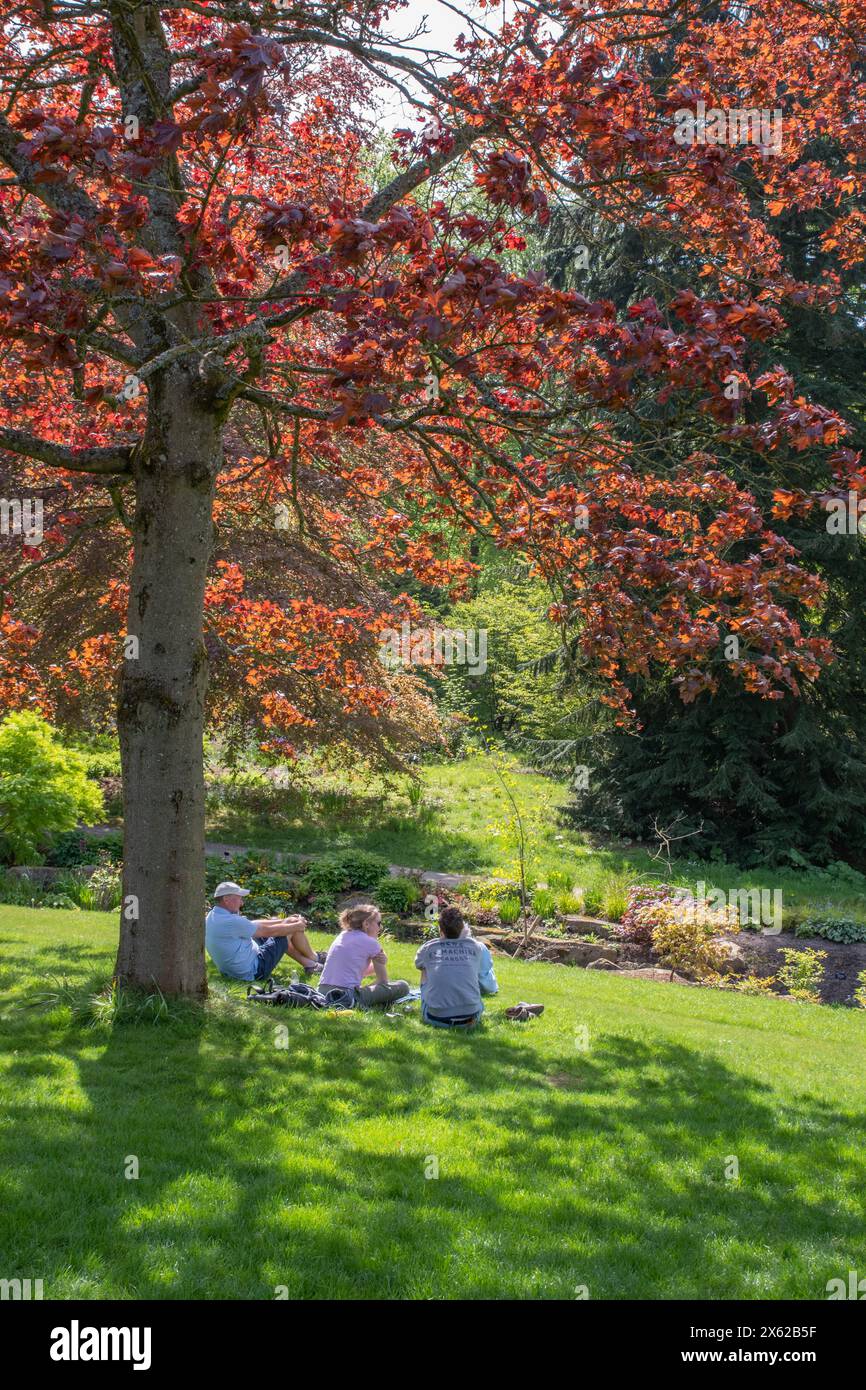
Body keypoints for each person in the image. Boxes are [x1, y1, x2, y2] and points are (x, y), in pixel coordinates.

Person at [205, 881, 319, 982]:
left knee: (282, 922)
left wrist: (283, 920)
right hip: (255, 971)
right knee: (289, 928)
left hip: (233, 970)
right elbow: (269, 932)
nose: (242, 903)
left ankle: (309, 963)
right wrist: (297, 925)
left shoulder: (214, 916)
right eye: (239, 898)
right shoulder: (231, 921)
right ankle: (314, 959)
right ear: (226, 900)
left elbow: (252, 924)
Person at [415, 905, 494, 1028]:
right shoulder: (476, 947)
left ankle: (437, 1002)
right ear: (463, 927)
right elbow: (484, 970)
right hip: (471, 1018)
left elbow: (418, 964)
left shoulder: (428, 947)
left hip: (435, 1017)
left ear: (440, 929)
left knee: (424, 968)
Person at [319, 904, 410, 1007]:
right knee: (403, 986)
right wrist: (365, 990)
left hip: (322, 991)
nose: (381, 927)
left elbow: (359, 969)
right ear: (366, 924)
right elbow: (383, 981)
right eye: (378, 923)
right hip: (346, 996)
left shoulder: (343, 935)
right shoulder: (370, 942)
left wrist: (382, 959)